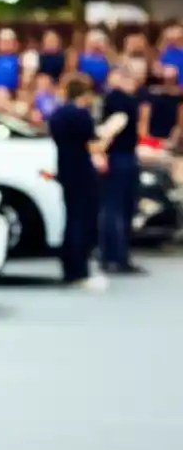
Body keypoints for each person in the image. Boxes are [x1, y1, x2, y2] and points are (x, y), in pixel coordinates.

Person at [48, 75, 119, 289]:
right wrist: (109, 132)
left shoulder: (57, 114)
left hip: (65, 169)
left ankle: (69, 268)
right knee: (83, 221)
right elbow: (93, 142)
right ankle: (80, 271)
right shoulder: (80, 115)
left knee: (70, 220)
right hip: (81, 170)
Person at [99, 67, 146, 275]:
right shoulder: (122, 101)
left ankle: (108, 254)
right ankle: (118, 256)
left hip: (116, 157)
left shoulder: (109, 100)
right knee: (120, 209)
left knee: (112, 208)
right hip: (122, 157)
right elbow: (111, 130)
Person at [139, 63, 183, 150]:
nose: (168, 82)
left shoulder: (179, 98)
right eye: (166, 80)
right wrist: (146, 138)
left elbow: (179, 125)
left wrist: (172, 141)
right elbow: (144, 120)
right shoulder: (150, 95)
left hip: (170, 142)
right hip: (151, 140)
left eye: (172, 80)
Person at [0, 28, 23, 97]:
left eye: (9, 42)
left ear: (15, 43)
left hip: (12, 93)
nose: (6, 44)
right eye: (3, 42)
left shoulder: (20, 59)